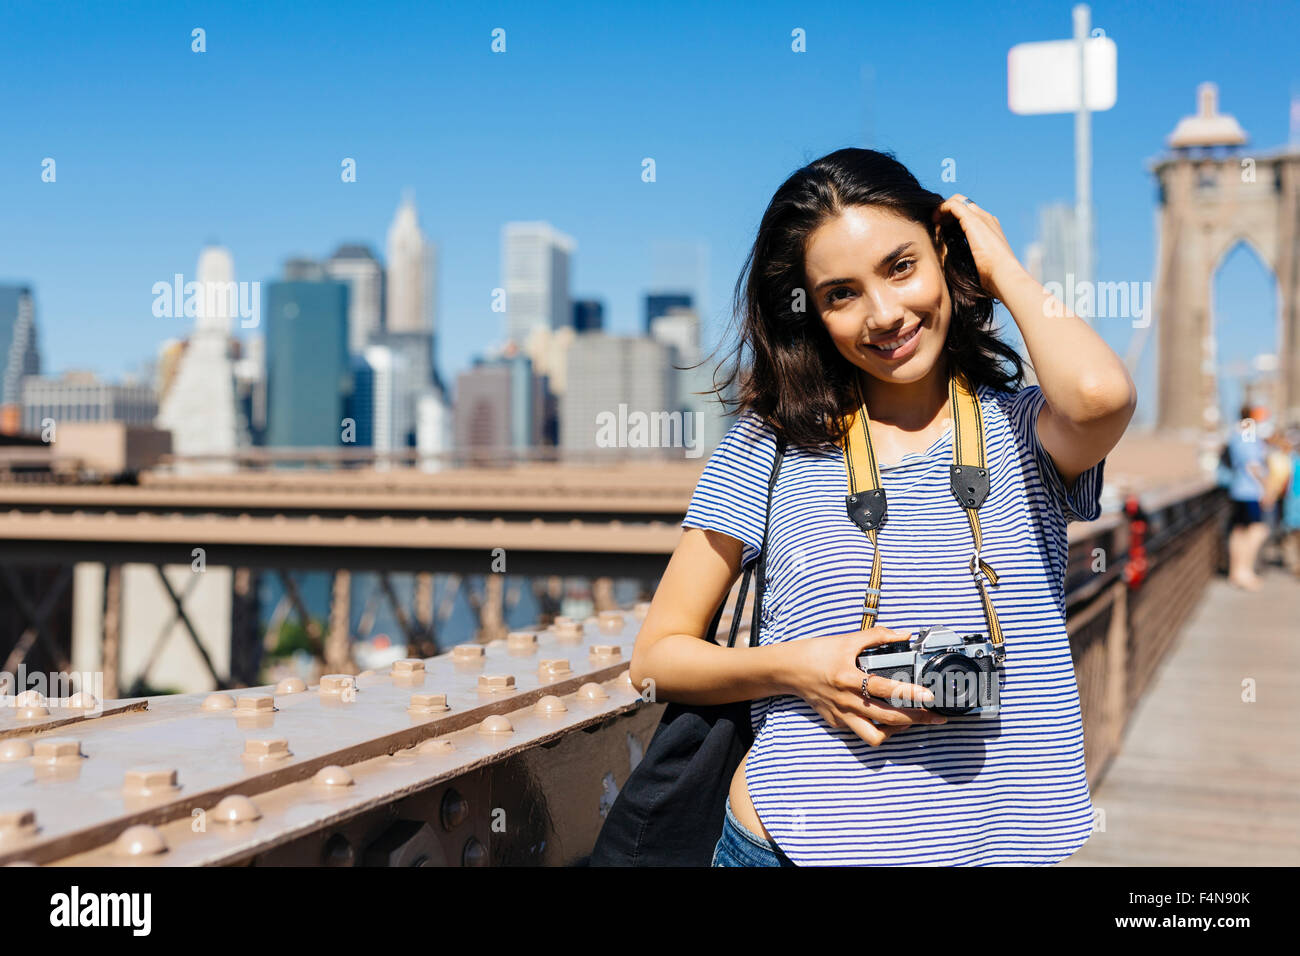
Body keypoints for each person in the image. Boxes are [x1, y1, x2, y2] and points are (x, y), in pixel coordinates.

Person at [629, 148, 1135, 866]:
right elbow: (656, 658)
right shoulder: (770, 445)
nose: (885, 314)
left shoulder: (1028, 431)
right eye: (841, 294)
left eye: (902, 266)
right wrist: (801, 668)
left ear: (945, 252)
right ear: (811, 313)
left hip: (1000, 850)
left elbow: (1101, 395)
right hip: (791, 849)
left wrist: (1004, 270)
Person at [1225, 405, 1270, 591]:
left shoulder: (1237, 433)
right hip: (1249, 491)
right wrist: (1267, 487)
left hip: (1238, 489)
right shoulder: (1248, 433)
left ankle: (1237, 572)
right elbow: (1252, 464)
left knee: (1239, 531)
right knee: (1257, 530)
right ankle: (1244, 571)